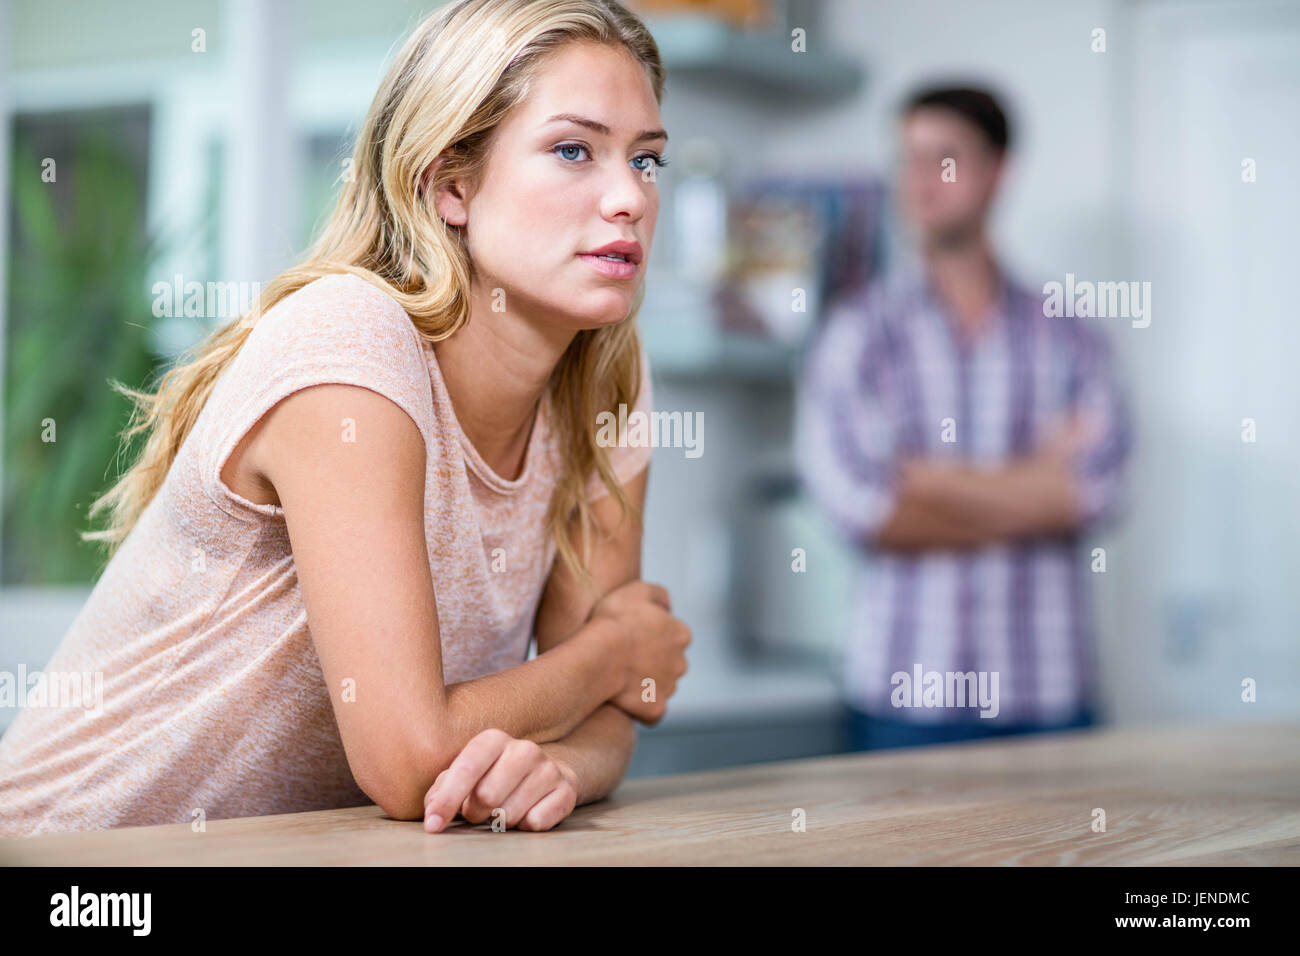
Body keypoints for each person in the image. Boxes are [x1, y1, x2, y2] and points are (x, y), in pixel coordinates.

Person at [0, 0, 691, 837]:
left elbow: (613, 715)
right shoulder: (350, 342)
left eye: (646, 160)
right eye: (573, 150)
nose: (629, 197)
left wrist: (557, 771)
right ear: (451, 185)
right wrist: (610, 653)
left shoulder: (608, 377)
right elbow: (409, 757)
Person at [795, 85, 1132, 751]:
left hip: (1051, 696)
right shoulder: (857, 333)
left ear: (997, 171)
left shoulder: (1071, 335)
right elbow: (864, 510)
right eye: (908, 159)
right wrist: (1036, 484)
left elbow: (1099, 492)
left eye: (944, 159)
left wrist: (922, 477)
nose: (921, 181)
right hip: (901, 699)